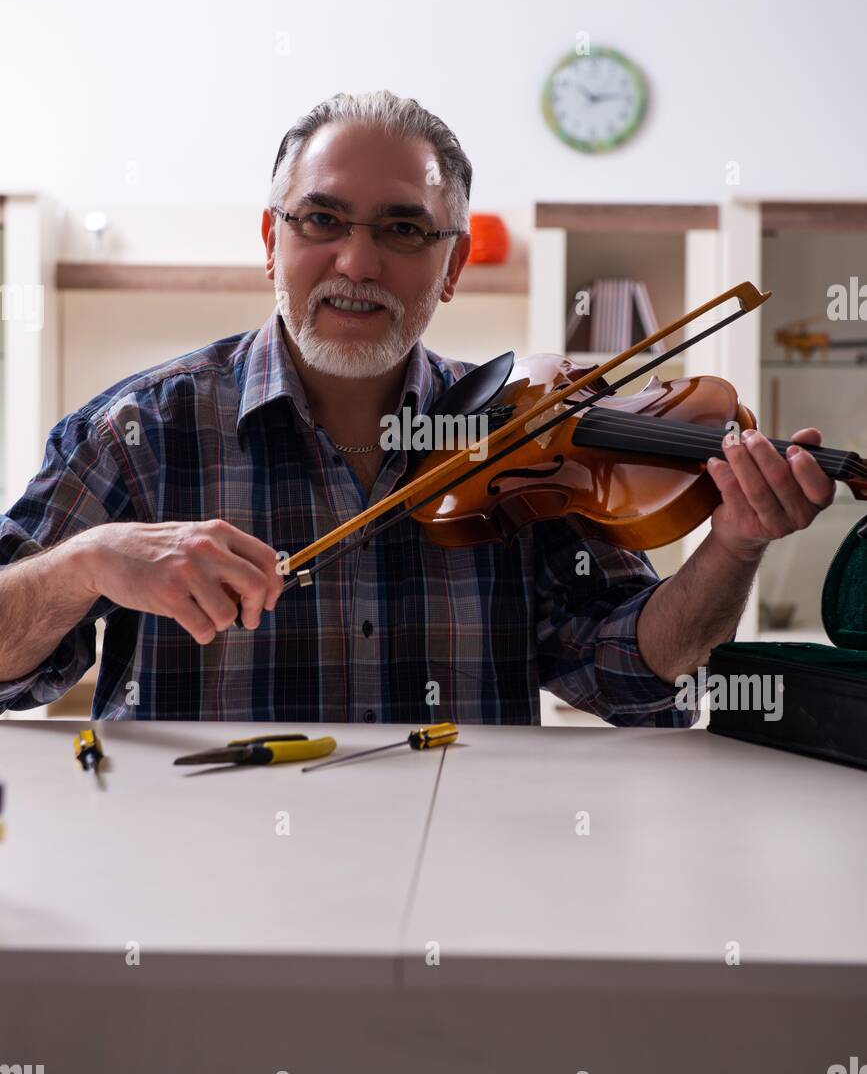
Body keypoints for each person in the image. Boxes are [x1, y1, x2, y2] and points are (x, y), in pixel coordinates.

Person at [0, 92, 834, 721]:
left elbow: (629, 675)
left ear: (453, 264)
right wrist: (87, 563)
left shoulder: (532, 435)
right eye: (320, 219)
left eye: (403, 231)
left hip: (464, 887)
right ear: (270, 241)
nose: (356, 262)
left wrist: (732, 549)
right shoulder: (136, 432)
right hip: (195, 895)